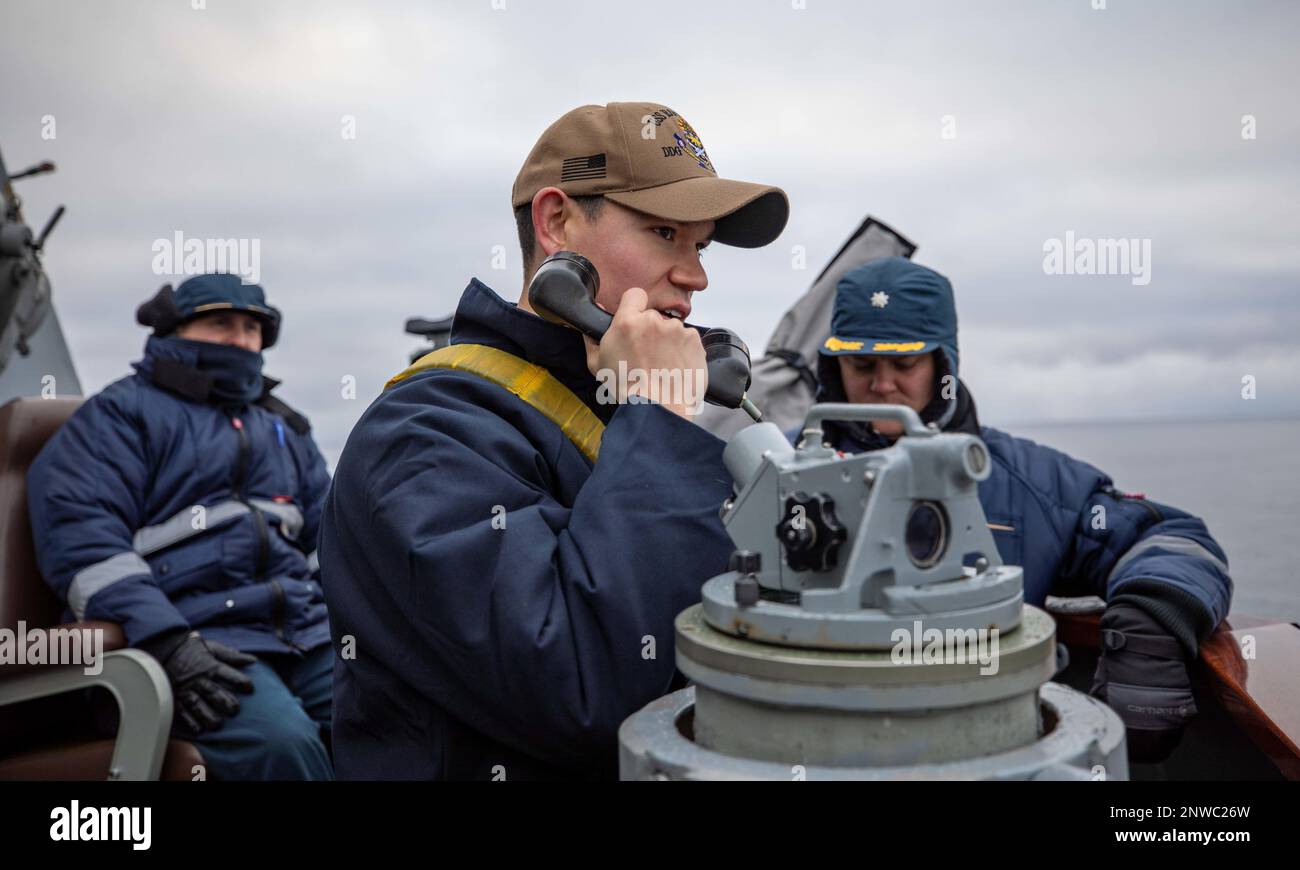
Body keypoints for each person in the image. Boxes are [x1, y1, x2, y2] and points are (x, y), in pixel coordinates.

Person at [320, 101, 789, 780]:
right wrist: (656, 412)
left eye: (701, 245)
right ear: (556, 224)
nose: (696, 275)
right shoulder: (421, 436)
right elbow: (582, 686)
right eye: (664, 232)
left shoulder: (620, 419)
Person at [807, 256, 1232, 761]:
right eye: (861, 366)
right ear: (833, 368)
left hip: (985, 750)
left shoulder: (1029, 485)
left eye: (903, 364)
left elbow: (1175, 537)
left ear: (944, 367)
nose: (881, 386)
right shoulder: (774, 474)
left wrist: (1150, 621)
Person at [27, 273, 335, 780]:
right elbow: (84, 544)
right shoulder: (116, 417)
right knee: (281, 745)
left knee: (394, 720)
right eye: (220, 324)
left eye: (251, 329)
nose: (240, 341)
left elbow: (332, 545)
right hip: (191, 640)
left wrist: (357, 627)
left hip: (300, 635)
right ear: (174, 332)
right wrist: (168, 643)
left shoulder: (284, 428)